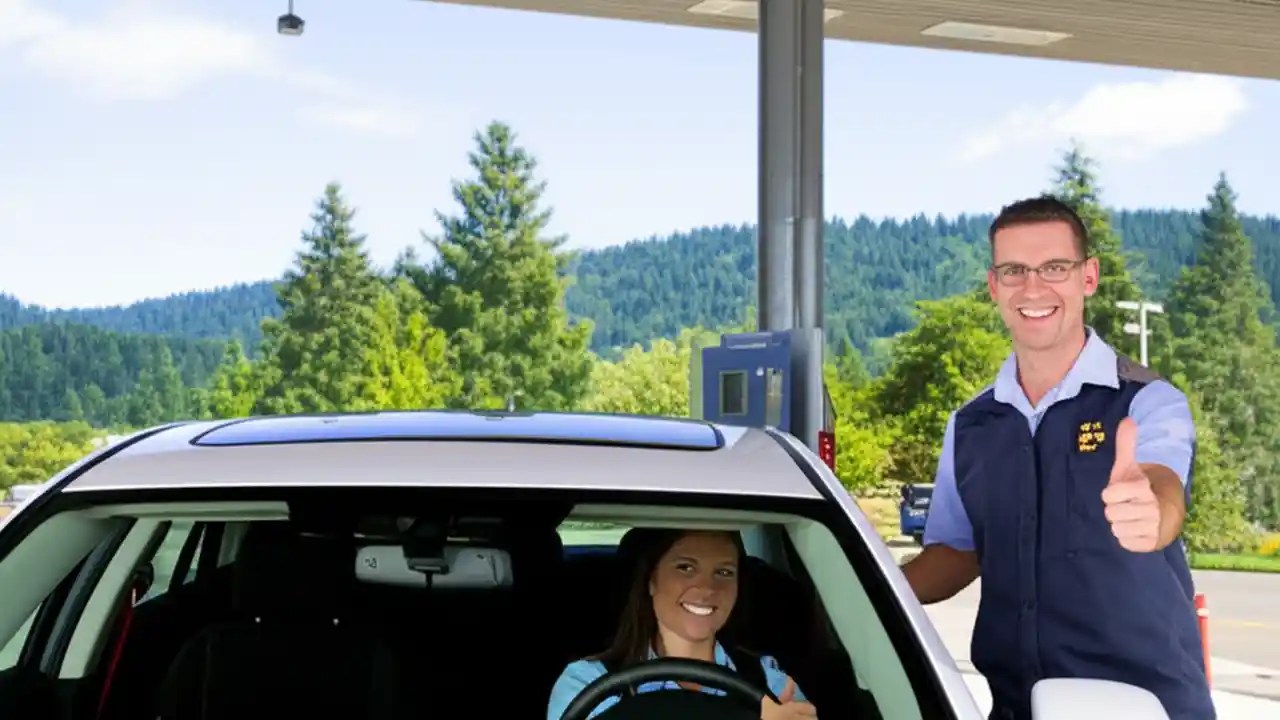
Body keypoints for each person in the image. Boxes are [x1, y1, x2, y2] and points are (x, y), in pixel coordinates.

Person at [901, 196, 1214, 720]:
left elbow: (1162, 489)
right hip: (1017, 708)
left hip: (1143, 709)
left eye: (1054, 268)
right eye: (1014, 270)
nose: (1033, 288)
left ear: (1088, 277)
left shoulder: (1148, 402)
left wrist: (1152, 513)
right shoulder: (970, 425)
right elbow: (958, 552)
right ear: (994, 285)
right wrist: (861, 586)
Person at [546, 528, 816, 720]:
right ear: (651, 581)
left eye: (724, 572)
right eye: (685, 567)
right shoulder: (586, 683)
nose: (707, 588)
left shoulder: (771, 682)